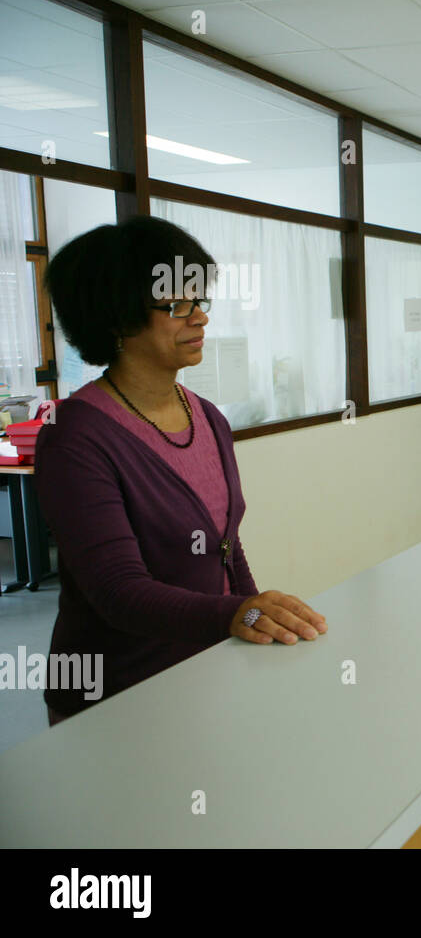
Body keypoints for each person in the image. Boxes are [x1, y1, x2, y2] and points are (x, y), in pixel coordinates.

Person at [36, 216, 327, 726]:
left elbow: (226, 548)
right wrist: (234, 616)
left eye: (200, 300)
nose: (200, 319)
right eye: (176, 305)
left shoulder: (207, 415)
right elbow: (117, 590)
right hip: (113, 699)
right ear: (117, 318)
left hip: (202, 674)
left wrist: (258, 617)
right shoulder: (75, 435)